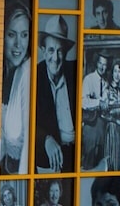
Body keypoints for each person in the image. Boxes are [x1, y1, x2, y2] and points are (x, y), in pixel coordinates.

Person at [34, 16, 77, 174]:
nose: (55, 58)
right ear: (43, 51)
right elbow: (25, 120)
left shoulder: (75, 72)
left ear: (65, 53)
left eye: (60, 51)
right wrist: (45, 139)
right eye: (51, 50)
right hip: (49, 161)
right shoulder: (34, 77)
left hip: (77, 156)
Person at [0, 0, 33, 174]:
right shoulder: (0, 72)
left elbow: (28, 140)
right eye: (12, 35)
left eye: (24, 35)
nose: (19, 44)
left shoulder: (27, 73)